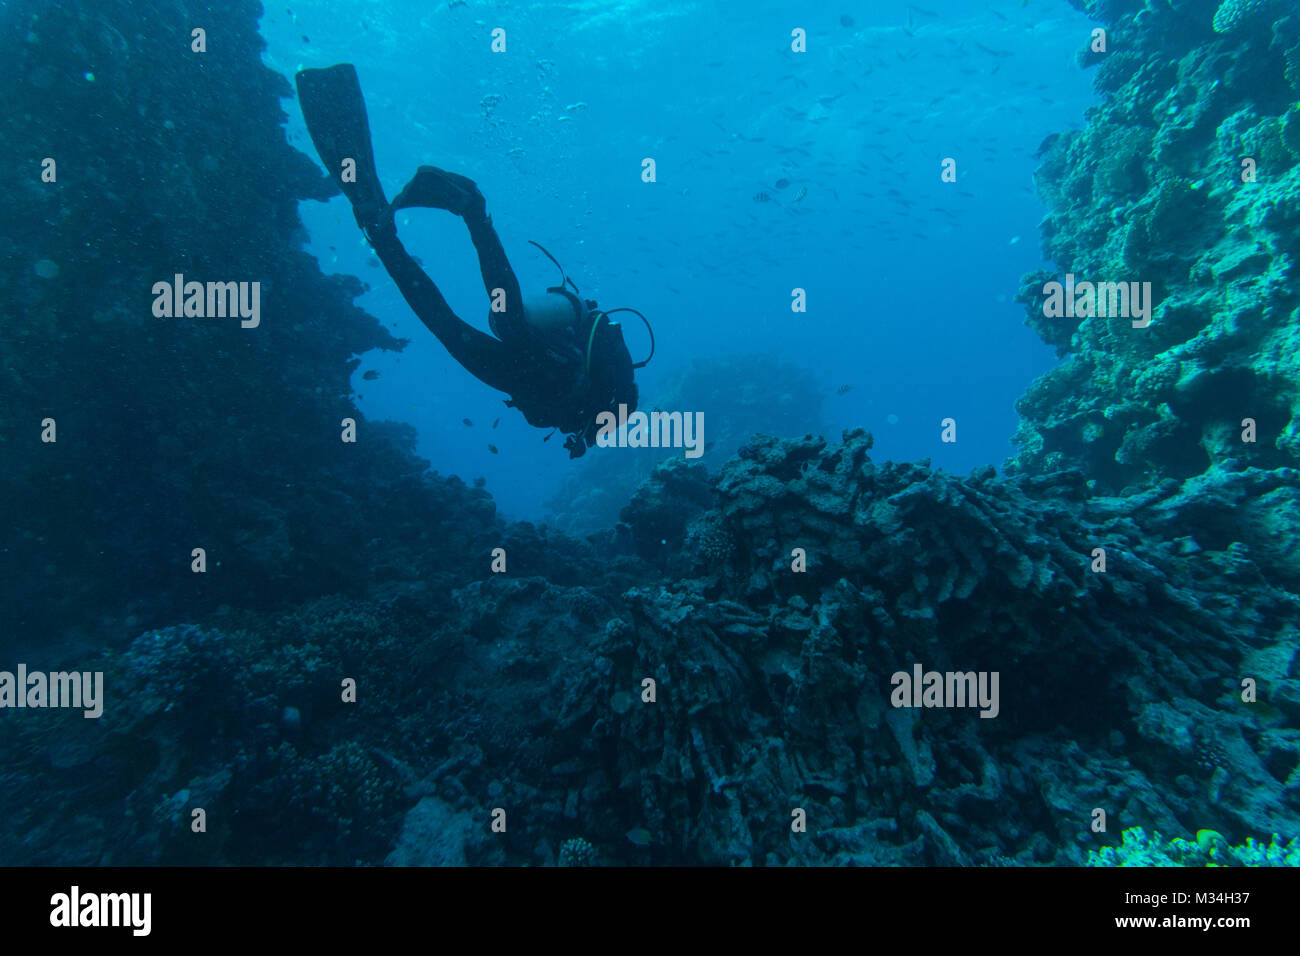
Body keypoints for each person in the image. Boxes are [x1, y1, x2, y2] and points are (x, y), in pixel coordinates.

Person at [295, 64, 650, 458]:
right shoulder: (615, 406)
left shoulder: (586, 418)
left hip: (521, 375)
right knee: (505, 321)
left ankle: (381, 232)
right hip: (549, 355)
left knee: (446, 329)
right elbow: (602, 376)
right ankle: (473, 210)